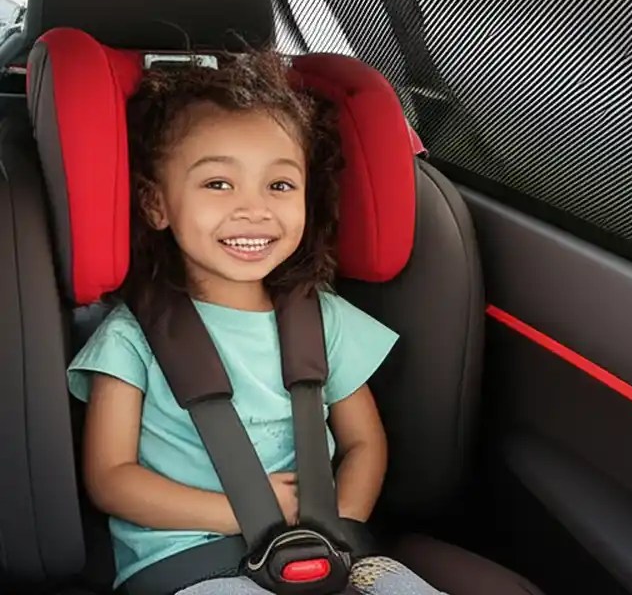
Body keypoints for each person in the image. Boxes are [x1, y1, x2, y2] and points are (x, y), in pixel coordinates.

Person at [66, 48, 447, 595]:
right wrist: (234, 511)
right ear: (156, 205)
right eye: (218, 184)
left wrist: (340, 523)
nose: (255, 209)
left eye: (280, 185)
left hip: (325, 546)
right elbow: (110, 478)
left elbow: (365, 443)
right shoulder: (132, 338)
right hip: (191, 558)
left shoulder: (324, 318)